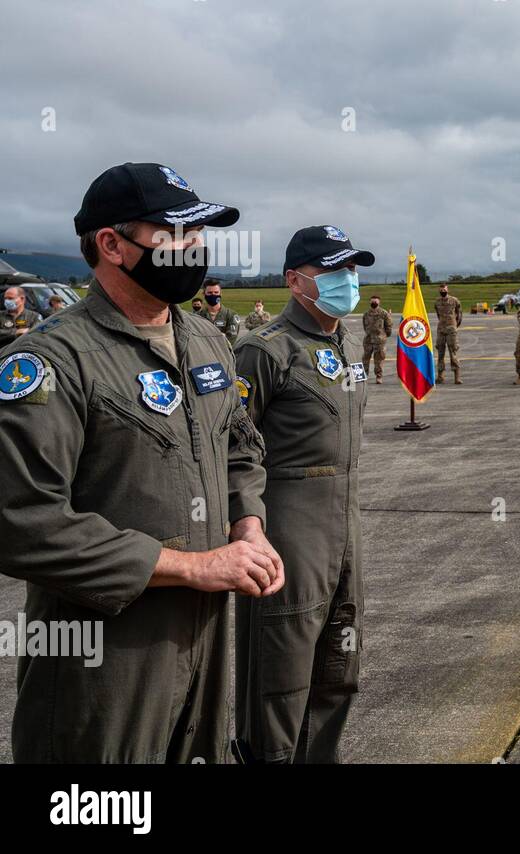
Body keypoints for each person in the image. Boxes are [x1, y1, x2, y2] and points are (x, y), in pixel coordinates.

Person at [0, 161, 280, 762]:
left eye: (198, 234)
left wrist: (247, 525)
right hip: (104, 660)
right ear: (112, 245)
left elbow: (239, 448)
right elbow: (19, 521)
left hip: (204, 643)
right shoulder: (51, 361)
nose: (194, 249)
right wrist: (191, 567)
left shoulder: (206, 341)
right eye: (175, 235)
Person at [233, 225, 373, 763]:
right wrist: (247, 526)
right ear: (296, 280)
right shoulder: (264, 351)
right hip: (288, 534)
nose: (348, 280)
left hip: (345, 529)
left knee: (340, 667)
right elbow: (233, 449)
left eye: (353, 269)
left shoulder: (349, 345)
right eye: (334, 271)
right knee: (281, 673)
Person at [433, 285, 462, 384]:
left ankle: (457, 377)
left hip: (451, 329)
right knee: (440, 353)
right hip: (441, 329)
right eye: (441, 290)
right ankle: (440, 376)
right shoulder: (437, 302)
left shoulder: (454, 301)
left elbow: (459, 314)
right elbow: (438, 314)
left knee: (453, 352)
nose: (442, 291)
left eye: (444, 290)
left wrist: (454, 325)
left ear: (447, 290)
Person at [362, 294, 393, 384]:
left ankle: (379, 377)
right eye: (372, 300)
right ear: (369, 302)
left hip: (379, 341)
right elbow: (365, 326)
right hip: (368, 340)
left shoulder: (383, 313)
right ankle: (364, 376)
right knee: (365, 359)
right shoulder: (366, 314)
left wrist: (384, 335)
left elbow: (389, 326)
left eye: (376, 301)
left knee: (378, 360)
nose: (374, 302)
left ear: (379, 302)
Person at [200, 279, 240, 347]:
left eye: (216, 292)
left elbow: (231, 339)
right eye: (209, 293)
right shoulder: (198, 316)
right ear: (204, 294)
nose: (213, 295)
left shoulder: (232, 315)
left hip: (224, 355)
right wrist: (220, 335)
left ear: (221, 293)